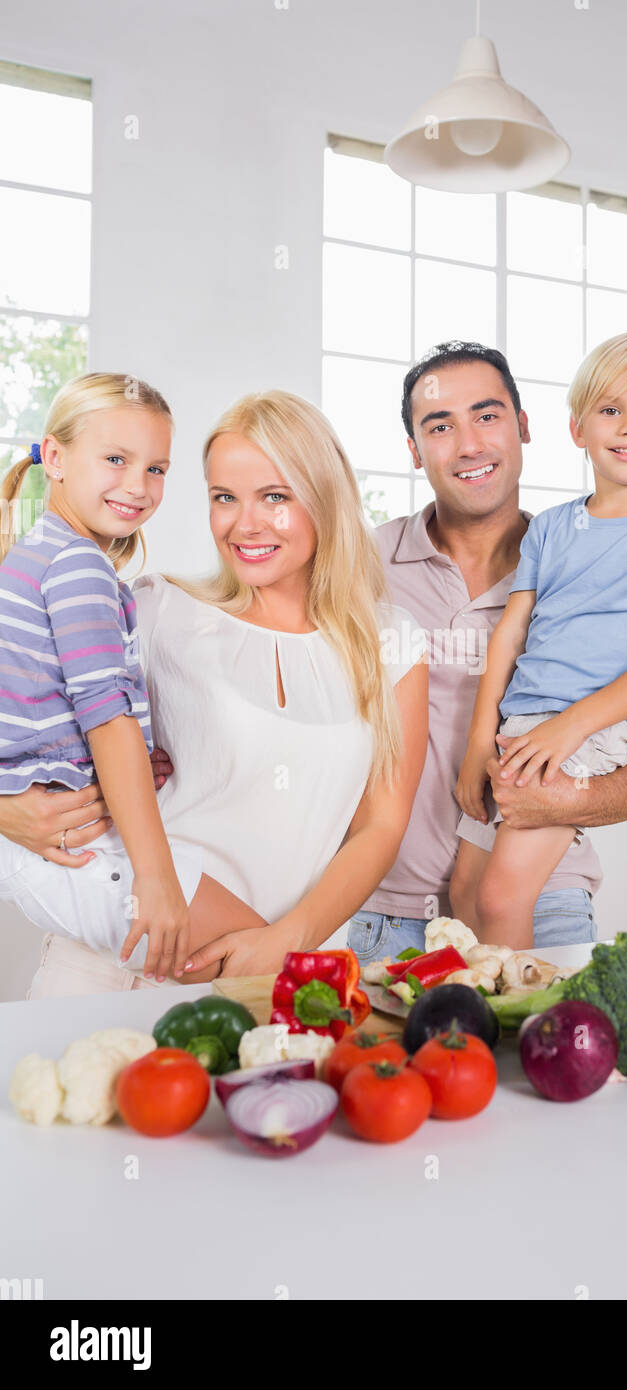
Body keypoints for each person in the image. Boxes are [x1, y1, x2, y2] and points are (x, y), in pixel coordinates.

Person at [1, 388, 427, 995]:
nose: (244, 524)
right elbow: (24, 701)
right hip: (116, 968)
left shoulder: (392, 642)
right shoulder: (155, 609)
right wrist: (6, 812)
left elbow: (381, 825)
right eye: (224, 498)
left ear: (325, 498)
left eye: (274, 497)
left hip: (275, 975)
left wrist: (285, 942)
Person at [346, 341, 627, 965]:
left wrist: (566, 798)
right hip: (387, 914)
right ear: (415, 452)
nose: (468, 444)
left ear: (524, 428)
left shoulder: (591, 568)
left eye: (488, 415)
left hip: (544, 905)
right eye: (440, 426)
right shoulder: (357, 569)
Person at [451, 332, 627, 948]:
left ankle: (515, 1035)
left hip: (587, 728)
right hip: (520, 723)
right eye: (611, 409)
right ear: (577, 427)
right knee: (466, 892)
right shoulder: (549, 528)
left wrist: (569, 727)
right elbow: (511, 633)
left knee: (501, 896)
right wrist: (476, 743)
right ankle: (472, 1026)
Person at [0, 373, 265, 984]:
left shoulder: (36, 552)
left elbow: (39, 706)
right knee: (263, 967)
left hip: (42, 845)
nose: (138, 486)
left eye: (157, 468)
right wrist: (155, 875)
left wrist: (138, 759)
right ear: (57, 457)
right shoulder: (78, 566)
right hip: (78, 853)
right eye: (116, 459)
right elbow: (105, 717)